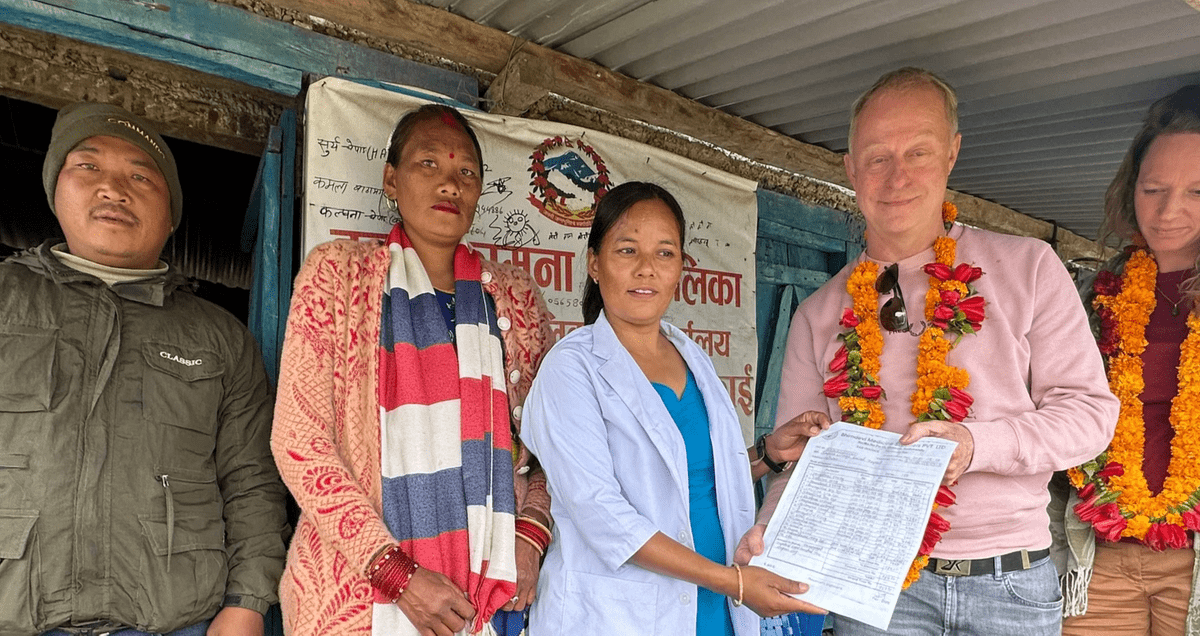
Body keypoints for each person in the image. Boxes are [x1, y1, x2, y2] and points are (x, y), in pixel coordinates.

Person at [735, 68, 1120, 635]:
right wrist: (772, 538)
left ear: (952, 154)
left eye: (918, 152)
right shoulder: (819, 312)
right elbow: (802, 462)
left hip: (1009, 587)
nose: (897, 177)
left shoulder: (1029, 267)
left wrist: (976, 443)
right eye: (876, 157)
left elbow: (1090, 417)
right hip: (875, 593)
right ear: (850, 168)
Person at [0, 102, 288, 635]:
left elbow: (251, 481)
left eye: (140, 175)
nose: (114, 188)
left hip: (176, 623)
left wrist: (248, 604)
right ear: (54, 189)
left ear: (172, 213)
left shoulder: (219, 335)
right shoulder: (5, 300)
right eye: (88, 167)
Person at [272, 104, 556, 636]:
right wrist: (395, 572)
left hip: (491, 600)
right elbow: (299, 440)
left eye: (465, 172)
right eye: (428, 164)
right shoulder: (337, 277)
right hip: (356, 597)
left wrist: (531, 534)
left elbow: (553, 446)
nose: (449, 183)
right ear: (391, 181)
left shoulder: (515, 297)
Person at [521, 181, 822, 636]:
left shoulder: (690, 355)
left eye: (664, 253)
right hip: (621, 616)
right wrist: (734, 583)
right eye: (627, 251)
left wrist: (767, 455)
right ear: (594, 264)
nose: (647, 269)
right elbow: (602, 516)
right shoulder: (570, 368)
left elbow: (694, 479)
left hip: (716, 613)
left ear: (681, 266)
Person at [1052, 84, 1200, 636]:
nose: (1168, 211)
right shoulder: (1089, 293)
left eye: (1196, 191)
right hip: (1098, 552)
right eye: (1153, 187)